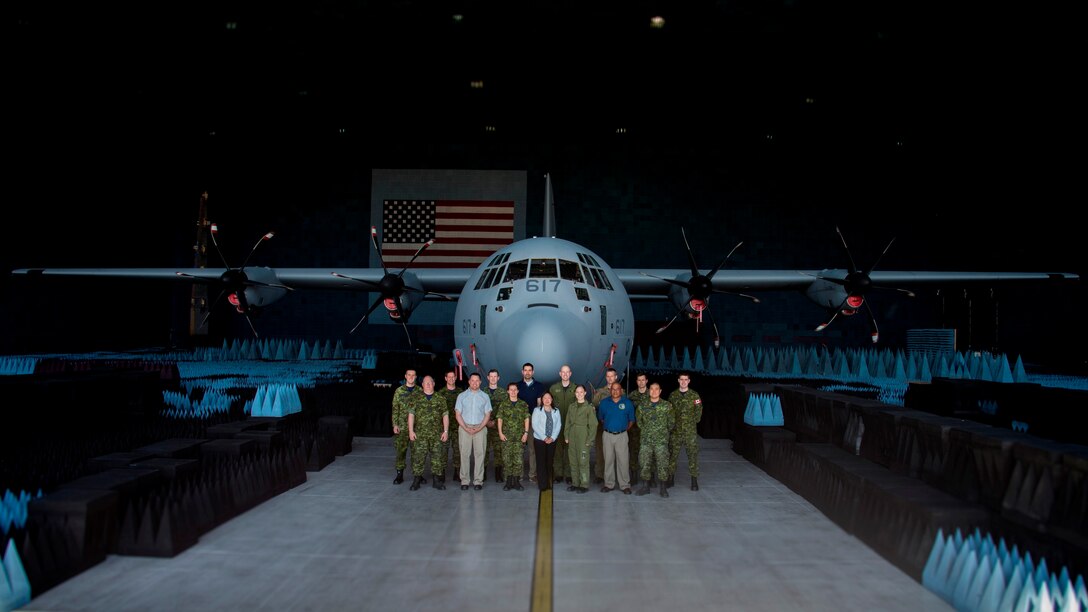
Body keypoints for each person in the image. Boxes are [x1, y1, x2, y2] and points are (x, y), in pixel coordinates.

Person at [406, 375, 450, 490]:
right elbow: (411, 415)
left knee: (437, 457)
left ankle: (436, 481)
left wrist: (445, 431)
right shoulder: (416, 398)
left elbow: (445, 415)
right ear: (422, 385)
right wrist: (411, 431)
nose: (428, 384)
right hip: (420, 434)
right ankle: (416, 480)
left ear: (434, 384)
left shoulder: (440, 398)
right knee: (418, 457)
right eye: (426, 383)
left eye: (430, 382)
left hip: (436, 434)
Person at [454, 372, 492, 490]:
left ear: (480, 382)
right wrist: (466, 428)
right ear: (469, 381)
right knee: (464, 454)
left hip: (480, 428)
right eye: (472, 380)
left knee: (480, 454)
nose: (475, 383)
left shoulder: (485, 396)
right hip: (464, 427)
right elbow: (458, 414)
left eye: (477, 381)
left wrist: (479, 428)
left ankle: (478, 481)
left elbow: (487, 414)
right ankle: (464, 481)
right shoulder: (461, 396)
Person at [636, 382, 674, 498]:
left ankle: (663, 488)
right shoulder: (642, 406)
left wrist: (662, 432)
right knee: (644, 463)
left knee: (663, 464)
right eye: (651, 389)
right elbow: (639, 422)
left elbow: (671, 423)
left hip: (661, 441)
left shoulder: (667, 406)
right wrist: (647, 431)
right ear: (649, 391)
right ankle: (645, 487)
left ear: (660, 391)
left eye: (656, 389)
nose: (654, 391)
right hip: (646, 441)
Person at [596, 381, 635, 494]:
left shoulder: (627, 403)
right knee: (608, 460)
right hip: (607, 435)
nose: (615, 391)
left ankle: (624, 485)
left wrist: (623, 429)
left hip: (622, 435)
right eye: (613, 389)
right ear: (610, 390)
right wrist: (610, 427)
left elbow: (631, 420)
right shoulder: (604, 403)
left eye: (618, 389)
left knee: (623, 461)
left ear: (621, 390)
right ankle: (609, 484)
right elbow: (601, 418)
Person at [668, 372, 704, 491]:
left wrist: (692, 422)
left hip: (690, 432)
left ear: (689, 381)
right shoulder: (673, 395)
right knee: (672, 455)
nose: (683, 382)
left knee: (692, 456)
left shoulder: (694, 395)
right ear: (678, 380)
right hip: (676, 431)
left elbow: (699, 410)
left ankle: (694, 481)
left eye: (685, 379)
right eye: (681, 379)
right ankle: (670, 479)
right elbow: (669, 412)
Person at [495, 382, 530, 491]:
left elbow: (526, 419)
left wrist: (526, 433)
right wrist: (500, 433)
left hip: (519, 437)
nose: (513, 391)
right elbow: (500, 419)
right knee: (507, 459)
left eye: (515, 389)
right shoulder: (503, 404)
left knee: (518, 460)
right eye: (511, 389)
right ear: (508, 391)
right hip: (507, 437)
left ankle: (517, 482)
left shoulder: (523, 404)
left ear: (518, 391)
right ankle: (508, 482)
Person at [564, 385, 596, 493]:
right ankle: (575, 483)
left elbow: (593, 425)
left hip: (583, 436)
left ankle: (584, 484)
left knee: (583, 462)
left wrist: (590, 440)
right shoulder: (571, 406)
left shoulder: (589, 408)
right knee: (573, 461)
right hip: (572, 436)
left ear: (585, 393)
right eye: (577, 392)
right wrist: (566, 435)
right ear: (575, 393)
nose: (579, 394)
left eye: (581, 392)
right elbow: (568, 421)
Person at [516, 363, 546, 482]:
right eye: (525, 370)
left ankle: (532, 474)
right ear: (522, 372)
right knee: (519, 449)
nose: (527, 372)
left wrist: (537, 421)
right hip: (519, 422)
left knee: (532, 449)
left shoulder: (539, 386)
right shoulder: (517, 386)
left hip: (533, 422)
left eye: (530, 370)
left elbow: (539, 404)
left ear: (533, 372)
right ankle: (518, 474)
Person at [590, 367, 620, 484]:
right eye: (608, 376)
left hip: (616, 426)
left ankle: (612, 475)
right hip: (602, 426)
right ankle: (599, 474)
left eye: (612, 376)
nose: (610, 378)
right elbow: (593, 406)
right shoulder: (600, 392)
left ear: (616, 377)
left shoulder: (621, 392)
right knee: (600, 449)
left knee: (615, 451)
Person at [548, 365, 577, 484]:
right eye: (563, 372)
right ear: (560, 374)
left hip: (570, 425)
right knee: (558, 451)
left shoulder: (575, 388)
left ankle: (569, 474)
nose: (565, 374)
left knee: (570, 451)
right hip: (557, 426)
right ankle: (558, 474)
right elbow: (549, 405)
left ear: (570, 373)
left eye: (567, 372)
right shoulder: (554, 388)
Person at [390, 368, 418, 484]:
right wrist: (395, 424)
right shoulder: (399, 391)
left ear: (416, 377)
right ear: (405, 376)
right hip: (401, 426)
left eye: (413, 375)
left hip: (416, 427)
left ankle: (418, 475)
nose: (411, 377)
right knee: (400, 451)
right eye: (409, 375)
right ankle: (399, 475)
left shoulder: (420, 391)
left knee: (417, 452)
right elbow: (395, 409)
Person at [531, 392, 562, 492]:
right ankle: (542, 484)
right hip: (540, 440)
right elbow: (534, 425)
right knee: (541, 462)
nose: (547, 400)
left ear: (552, 400)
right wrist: (544, 438)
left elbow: (558, 425)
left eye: (549, 398)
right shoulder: (537, 410)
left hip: (552, 440)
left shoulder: (556, 411)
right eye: (545, 398)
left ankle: (548, 482)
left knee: (549, 462)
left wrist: (552, 437)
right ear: (542, 400)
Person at [435, 370, 462, 481]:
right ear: (445, 378)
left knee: (458, 450)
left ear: (455, 378)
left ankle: (457, 472)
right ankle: (442, 472)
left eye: (453, 377)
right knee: (443, 450)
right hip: (444, 428)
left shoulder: (461, 393)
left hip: (457, 426)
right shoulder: (440, 393)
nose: (451, 379)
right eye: (449, 377)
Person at [626, 372, 650, 486]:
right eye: (639, 380)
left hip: (649, 430)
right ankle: (634, 475)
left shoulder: (652, 393)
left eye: (643, 380)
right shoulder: (632, 395)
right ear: (636, 382)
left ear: (646, 381)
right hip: (634, 430)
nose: (641, 382)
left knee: (649, 453)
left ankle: (650, 477)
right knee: (633, 452)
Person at [483, 369, 506, 483]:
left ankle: (498, 474)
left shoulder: (503, 393)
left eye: (495, 376)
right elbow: (479, 410)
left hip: (498, 427)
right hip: (484, 426)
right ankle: (483, 473)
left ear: (498, 378)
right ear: (488, 378)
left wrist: (495, 422)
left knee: (498, 450)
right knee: (484, 450)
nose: (493, 378)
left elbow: (504, 410)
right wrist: (487, 422)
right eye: (491, 376)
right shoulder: (482, 392)